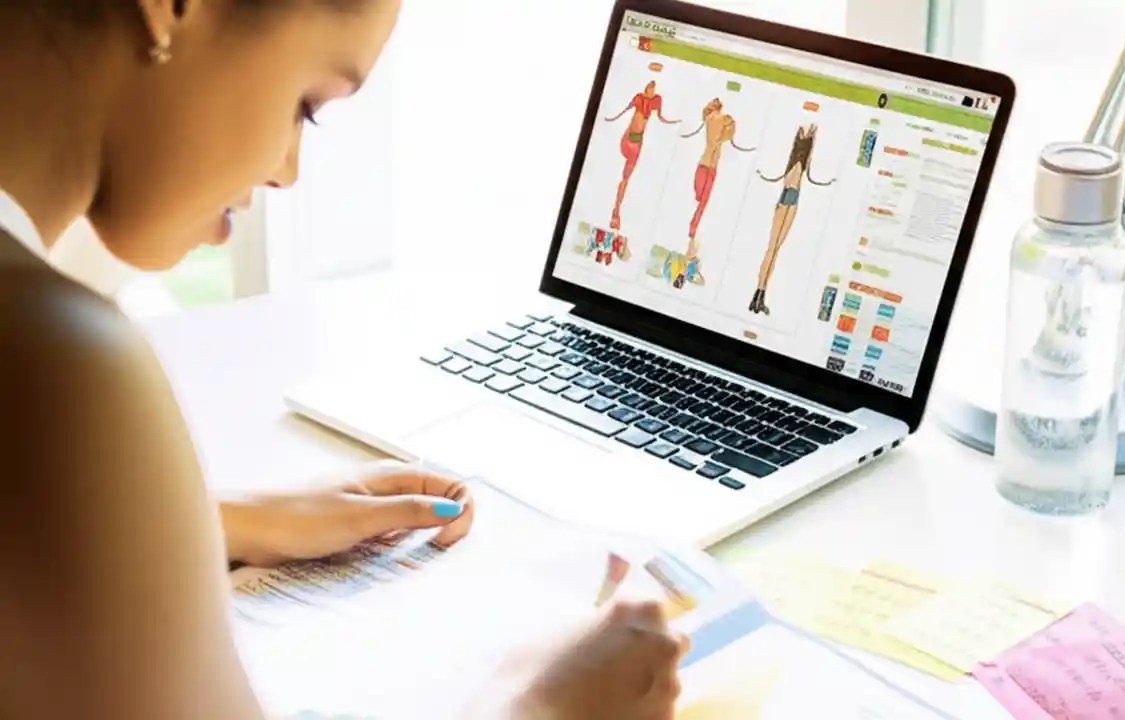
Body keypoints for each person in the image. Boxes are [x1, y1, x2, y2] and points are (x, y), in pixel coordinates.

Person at [0, 2, 687, 719]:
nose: (289, 171)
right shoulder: (49, 362)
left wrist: (209, 521)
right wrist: (544, 709)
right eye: (309, 105)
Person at [750, 124, 836, 315]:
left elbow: (804, 163)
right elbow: (804, 161)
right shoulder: (797, 163)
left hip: (788, 200)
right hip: (788, 202)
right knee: (773, 250)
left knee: (773, 250)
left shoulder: (796, 163)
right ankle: (759, 295)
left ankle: (758, 296)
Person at [674, 97, 754, 288]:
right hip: (710, 168)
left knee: (699, 209)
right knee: (700, 212)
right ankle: (688, 264)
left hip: (702, 166)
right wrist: (730, 124)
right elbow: (728, 135)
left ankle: (687, 263)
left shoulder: (709, 118)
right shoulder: (724, 120)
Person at [602, 80, 680, 232]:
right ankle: (615, 212)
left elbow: (660, 117)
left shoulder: (656, 101)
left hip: (636, 145)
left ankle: (616, 212)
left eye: (652, 87)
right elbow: (625, 110)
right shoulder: (639, 98)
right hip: (628, 140)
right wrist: (611, 118)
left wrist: (672, 122)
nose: (650, 89)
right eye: (649, 87)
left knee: (625, 179)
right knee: (624, 177)